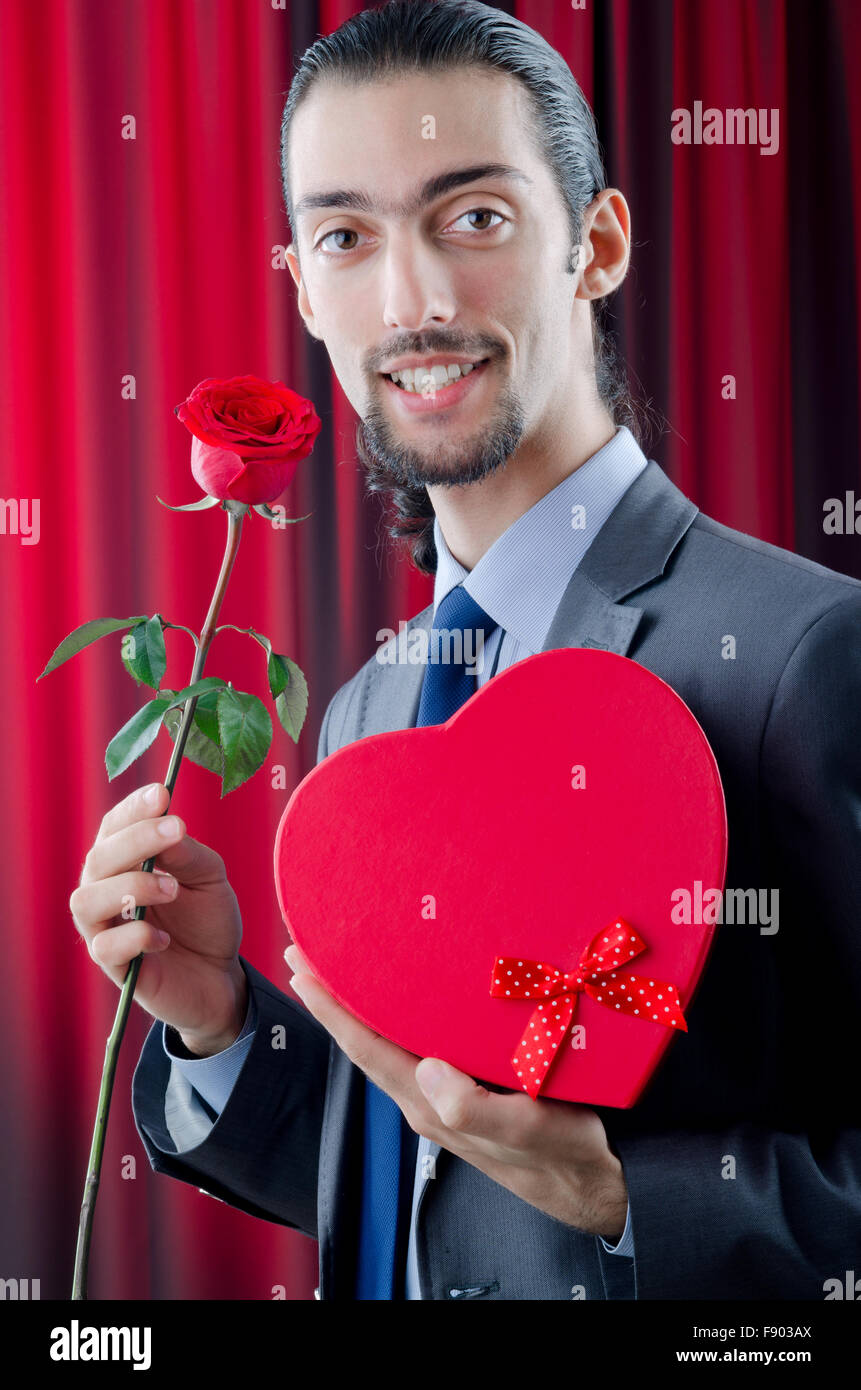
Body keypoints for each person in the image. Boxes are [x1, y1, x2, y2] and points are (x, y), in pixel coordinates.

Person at [69, 0, 861, 1300]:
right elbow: (405, 1183)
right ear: (304, 290)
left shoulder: (804, 658)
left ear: (594, 243)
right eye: (346, 236)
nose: (415, 300)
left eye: (473, 217)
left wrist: (621, 1199)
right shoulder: (369, 710)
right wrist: (215, 1020)